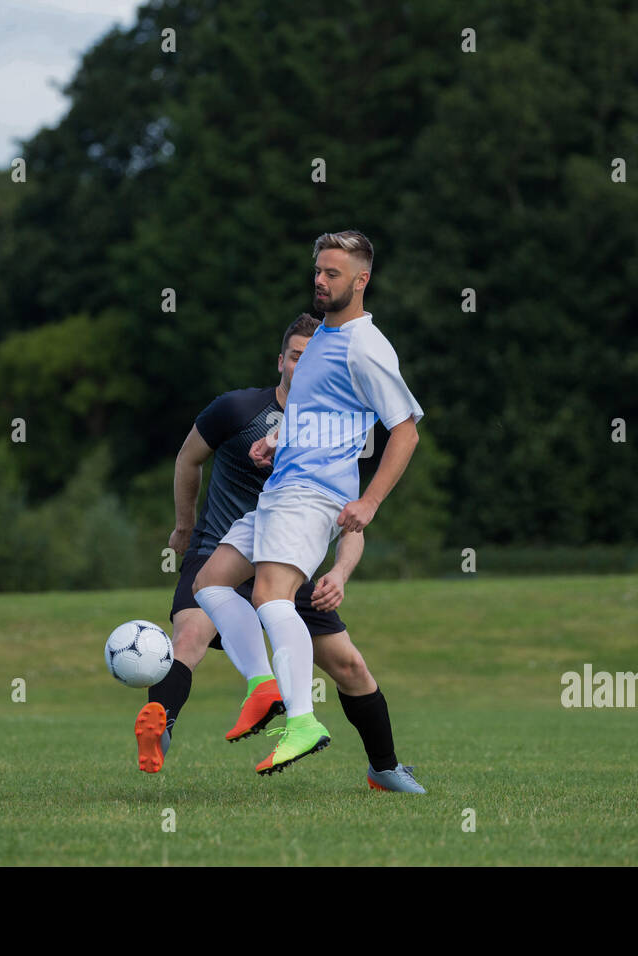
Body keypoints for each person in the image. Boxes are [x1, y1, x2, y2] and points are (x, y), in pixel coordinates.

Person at [135, 312, 424, 792]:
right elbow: (188, 457)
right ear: (281, 361)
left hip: (295, 542)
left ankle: (381, 765)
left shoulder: (345, 402)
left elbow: (351, 512)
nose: (302, 365)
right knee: (198, 613)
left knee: (347, 663)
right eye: (295, 356)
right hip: (237, 537)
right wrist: (185, 525)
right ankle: (171, 722)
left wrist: (342, 571)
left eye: (313, 358)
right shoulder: (237, 410)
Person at [192, 230, 424, 777]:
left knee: (273, 596)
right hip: (283, 488)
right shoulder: (320, 335)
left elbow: (406, 431)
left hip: (313, 495)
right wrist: (276, 440)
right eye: (318, 271)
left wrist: (368, 502)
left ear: (361, 280)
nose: (320, 281)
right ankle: (263, 687)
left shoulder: (366, 345)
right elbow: (319, 407)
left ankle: (302, 720)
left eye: (333, 274)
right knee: (211, 583)